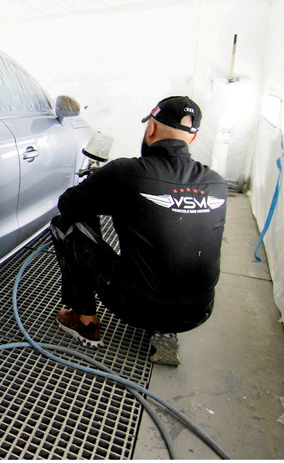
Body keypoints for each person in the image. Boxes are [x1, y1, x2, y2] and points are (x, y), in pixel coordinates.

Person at [50, 95, 227, 365]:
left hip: (138, 306)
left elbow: (68, 205)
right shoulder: (216, 183)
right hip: (199, 311)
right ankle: (167, 328)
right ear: (193, 138)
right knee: (178, 244)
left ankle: (84, 321)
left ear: (151, 128)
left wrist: (98, 185)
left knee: (64, 224)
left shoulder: (125, 172)